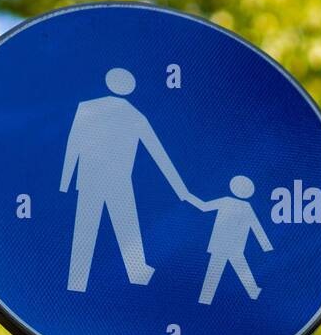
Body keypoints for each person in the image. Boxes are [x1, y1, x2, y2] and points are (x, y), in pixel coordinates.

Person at [60, 67, 196, 291]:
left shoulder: (89, 108)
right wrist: (182, 191)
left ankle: (77, 281)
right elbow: (160, 156)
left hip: (93, 179)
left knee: (89, 228)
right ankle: (137, 274)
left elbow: (73, 145)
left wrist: (65, 182)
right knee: (126, 228)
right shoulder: (134, 115)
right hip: (117, 180)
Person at [189, 175, 273, 305]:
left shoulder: (227, 201)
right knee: (239, 268)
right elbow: (256, 228)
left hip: (222, 244)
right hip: (234, 245)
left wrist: (190, 197)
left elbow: (204, 206)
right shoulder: (246, 206)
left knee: (218, 269)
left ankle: (206, 297)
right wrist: (266, 246)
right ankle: (253, 292)